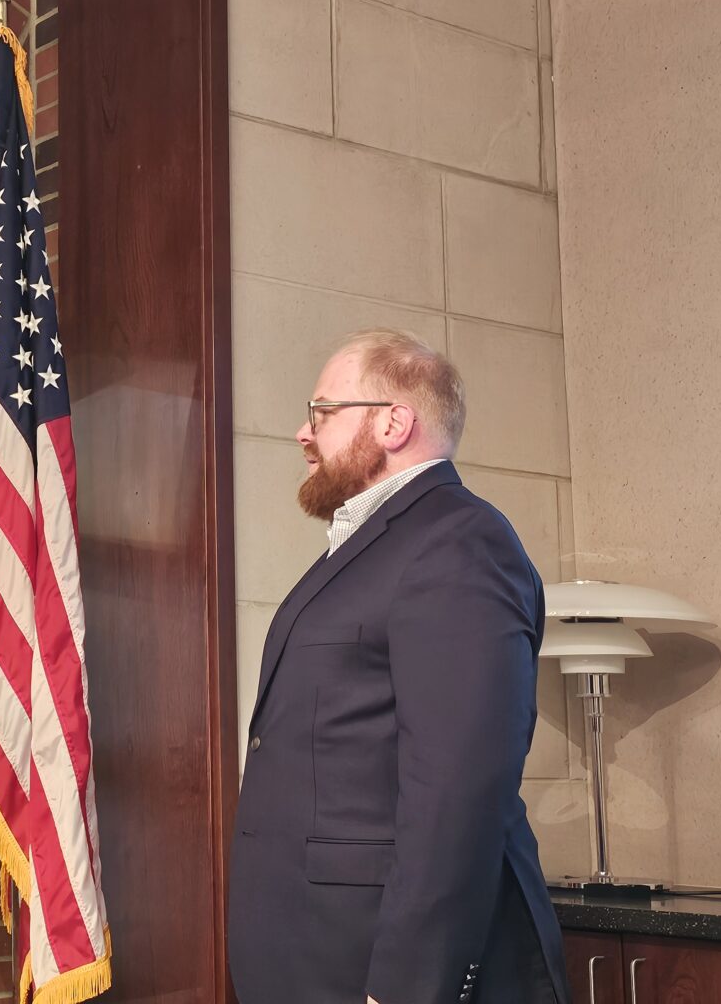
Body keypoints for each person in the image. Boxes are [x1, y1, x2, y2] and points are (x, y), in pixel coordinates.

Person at [227, 330, 570, 1004]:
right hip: (316, 959)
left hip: (383, 973)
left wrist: (409, 988)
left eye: (322, 412)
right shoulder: (367, 550)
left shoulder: (459, 542)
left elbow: (457, 792)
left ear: (392, 422)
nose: (303, 431)